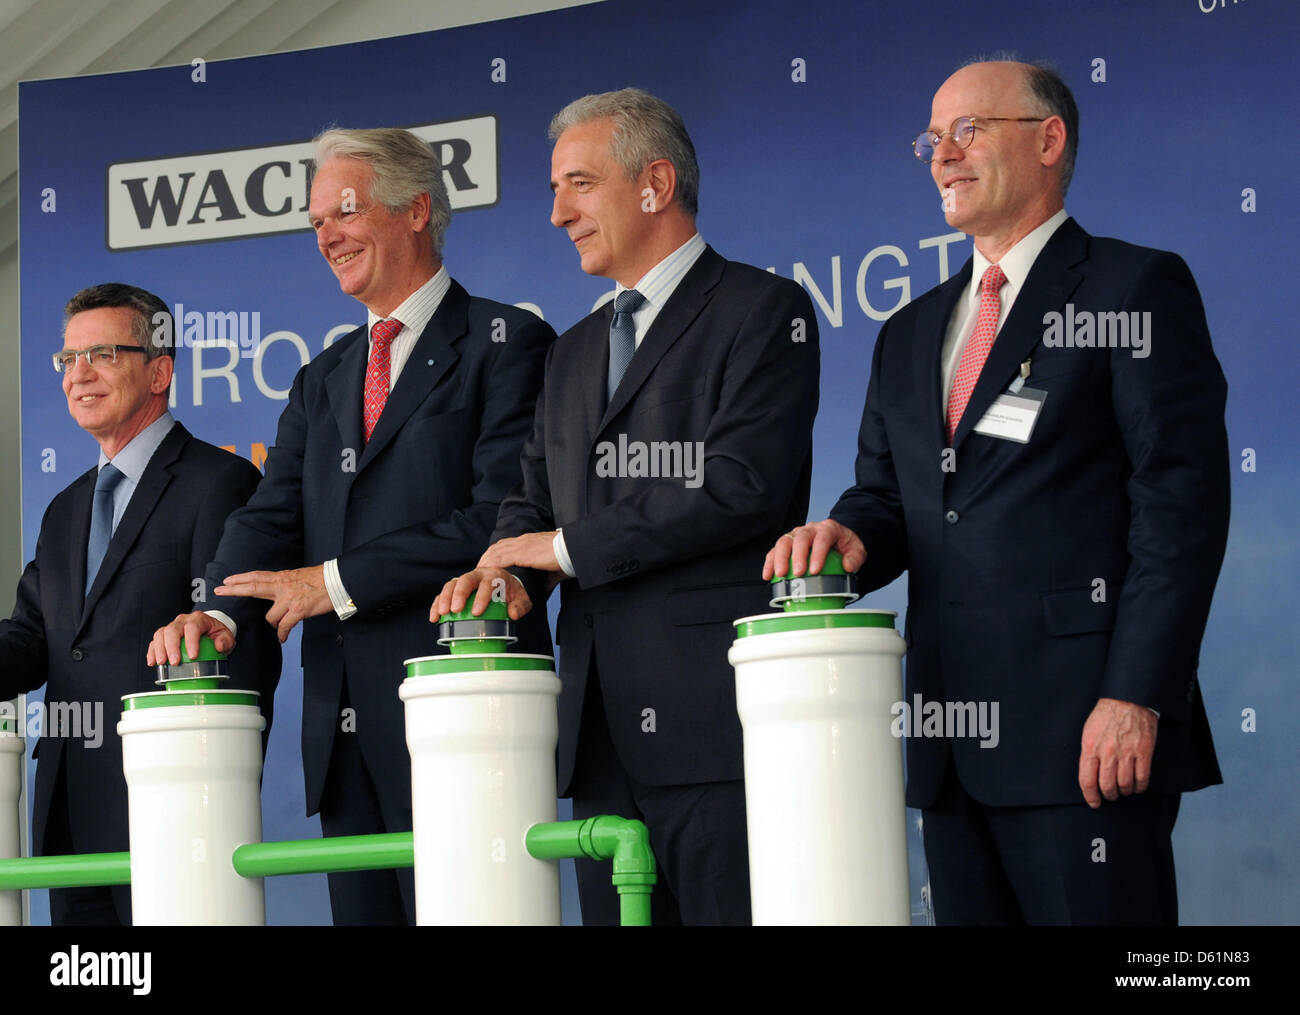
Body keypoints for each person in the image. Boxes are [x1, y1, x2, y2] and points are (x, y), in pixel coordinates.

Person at [765, 60, 1229, 925]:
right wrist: (848, 536)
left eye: (968, 130)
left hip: (1084, 739)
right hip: (950, 747)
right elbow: (891, 499)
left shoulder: (1134, 288)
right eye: (931, 139)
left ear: (1048, 140)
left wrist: (1136, 694)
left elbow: (1183, 512)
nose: (942, 156)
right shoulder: (907, 333)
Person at [433, 88, 820, 926]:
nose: (556, 212)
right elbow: (526, 503)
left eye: (577, 184)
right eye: (552, 189)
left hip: (717, 734)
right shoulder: (570, 352)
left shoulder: (763, 313)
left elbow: (740, 486)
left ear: (654, 184)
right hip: (598, 739)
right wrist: (503, 577)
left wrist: (562, 550)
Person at [148, 128, 555, 925]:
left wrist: (332, 584)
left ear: (416, 211)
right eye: (315, 224)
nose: (327, 236)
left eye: (343, 211)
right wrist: (221, 612)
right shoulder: (323, 374)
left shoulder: (508, 345)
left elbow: (499, 522)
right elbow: (270, 518)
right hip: (344, 741)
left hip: (464, 718)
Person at [0, 282, 280, 926]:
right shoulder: (64, 507)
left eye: (102, 354)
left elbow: (240, 653)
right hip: (68, 809)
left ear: (159, 371)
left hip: (172, 802)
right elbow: (31, 643)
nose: (80, 375)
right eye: (68, 359)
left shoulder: (223, 483)